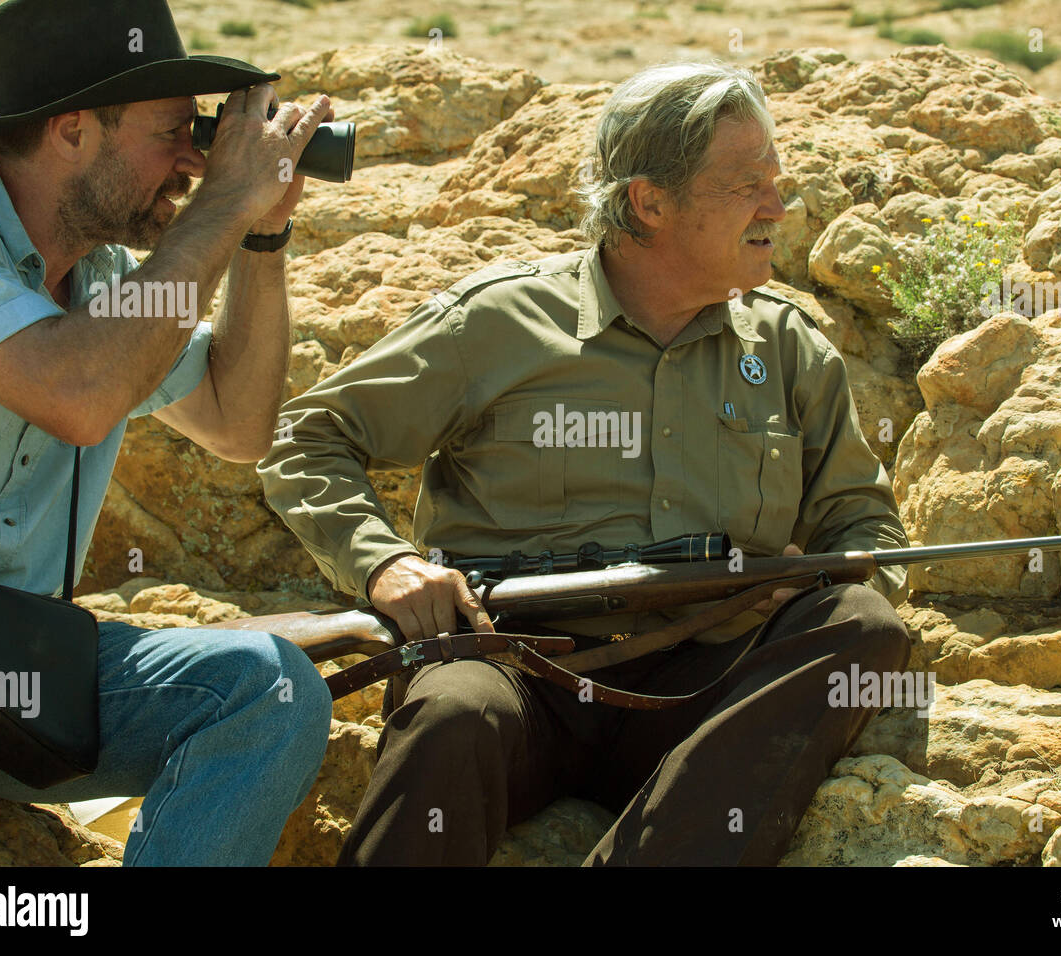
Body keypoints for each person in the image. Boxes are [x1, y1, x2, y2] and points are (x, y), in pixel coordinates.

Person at [258, 60, 911, 866]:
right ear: (650, 201)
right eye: (748, 185)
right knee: (451, 714)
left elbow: (864, 523)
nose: (779, 207)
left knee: (861, 627)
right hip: (514, 667)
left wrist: (825, 574)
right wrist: (384, 564)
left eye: (777, 182)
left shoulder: (786, 347)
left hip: (707, 686)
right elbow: (306, 436)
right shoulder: (497, 324)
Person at [0, 0, 333, 865]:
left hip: (8, 681)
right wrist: (222, 201)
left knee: (265, 688)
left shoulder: (112, 273)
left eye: (204, 139)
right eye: (173, 132)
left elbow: (239, 423)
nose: (194, 159)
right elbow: (75, 392)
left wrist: (260, 236)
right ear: (74, 130)